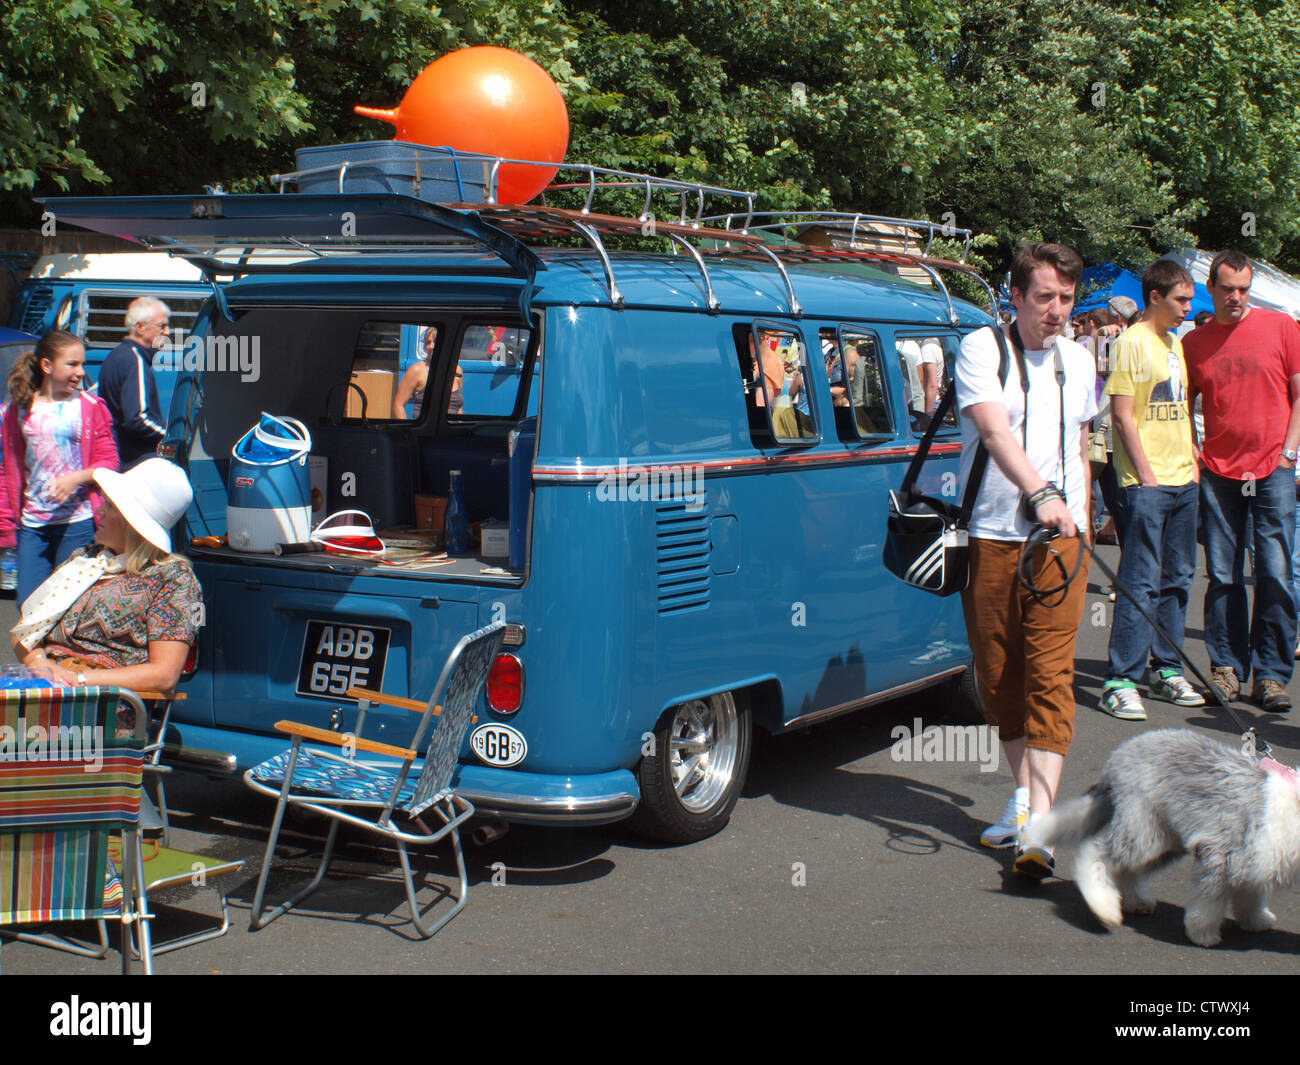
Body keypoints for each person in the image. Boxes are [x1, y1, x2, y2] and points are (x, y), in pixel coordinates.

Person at [956, 241, 1095, 879]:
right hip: (990, 534)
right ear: (1015, 296)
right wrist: (1038, 493)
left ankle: (1040, 823)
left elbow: (1082, 440)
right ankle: (1022, 796)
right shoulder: (984, 348)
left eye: (1066, 298)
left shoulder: (1078, 359)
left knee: (1050, 673)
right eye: (1044, 297)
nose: (1057, 310)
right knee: (997, 674)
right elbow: (992, 430)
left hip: (1059, 543)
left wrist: (1082, 519)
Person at [1182, 249, 1300, 712]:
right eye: (1227, 288)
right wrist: (1192, 452)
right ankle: (1227, 667)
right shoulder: (1195, 343)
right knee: (1223, 575)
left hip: (1273, 469)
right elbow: (1178, 403)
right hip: (1219, 472)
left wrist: (1290, 452)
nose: (1236, 297)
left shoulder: (1281, 327)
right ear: (1210, 288)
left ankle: (1270, 675)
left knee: (1274, 572)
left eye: (1244, 289)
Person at [1098, 260, 1204, 720]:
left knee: (1178, 578)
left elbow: (1181, 407)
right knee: (1140, 579)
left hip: (1183, 477)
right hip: (1147, 481)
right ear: (1155, 297)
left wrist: (1194, 462)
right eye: (1181, 299)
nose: (1188, 308)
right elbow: (1122, 416)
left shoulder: (1173, 343)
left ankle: (1165, 670)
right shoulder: (1129, 343)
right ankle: (1121, 679)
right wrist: (1147, 475)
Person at [11, 458, 200, 693]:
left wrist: (74, 680)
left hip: (101, 707)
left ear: (130, 523)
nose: (98, 510)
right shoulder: (85, 559)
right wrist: (40, 664)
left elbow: (163, 676)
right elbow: (26, 632)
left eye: (109, 505)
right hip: (46, 691)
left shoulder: (173, 580)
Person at [0, 331, 119, 604]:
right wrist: (5, 525)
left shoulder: (90, 407)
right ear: (46, 366)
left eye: (81, 364)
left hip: (76, 523)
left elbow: (110, 462)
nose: (80, 372)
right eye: (72, 364)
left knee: (69, 605)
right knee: (29, 606)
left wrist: (75, 478)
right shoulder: (17, 409)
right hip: (32, 524)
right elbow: (6, 470)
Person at [98, 296, 170, 467]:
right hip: (135, 462)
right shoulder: (134, 361)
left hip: (120, 457)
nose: (167, 332)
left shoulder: (117, 355)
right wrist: (171, 434)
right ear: (139, 327)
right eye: (162, 326)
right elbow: (138, 419)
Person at [392, 327, 461, 418]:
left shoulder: (457, 370)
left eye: (436, 341)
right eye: (428, 342)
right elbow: (398, 405)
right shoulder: (417, 370)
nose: (431, 346)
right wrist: (407, 431)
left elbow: (458, 408)